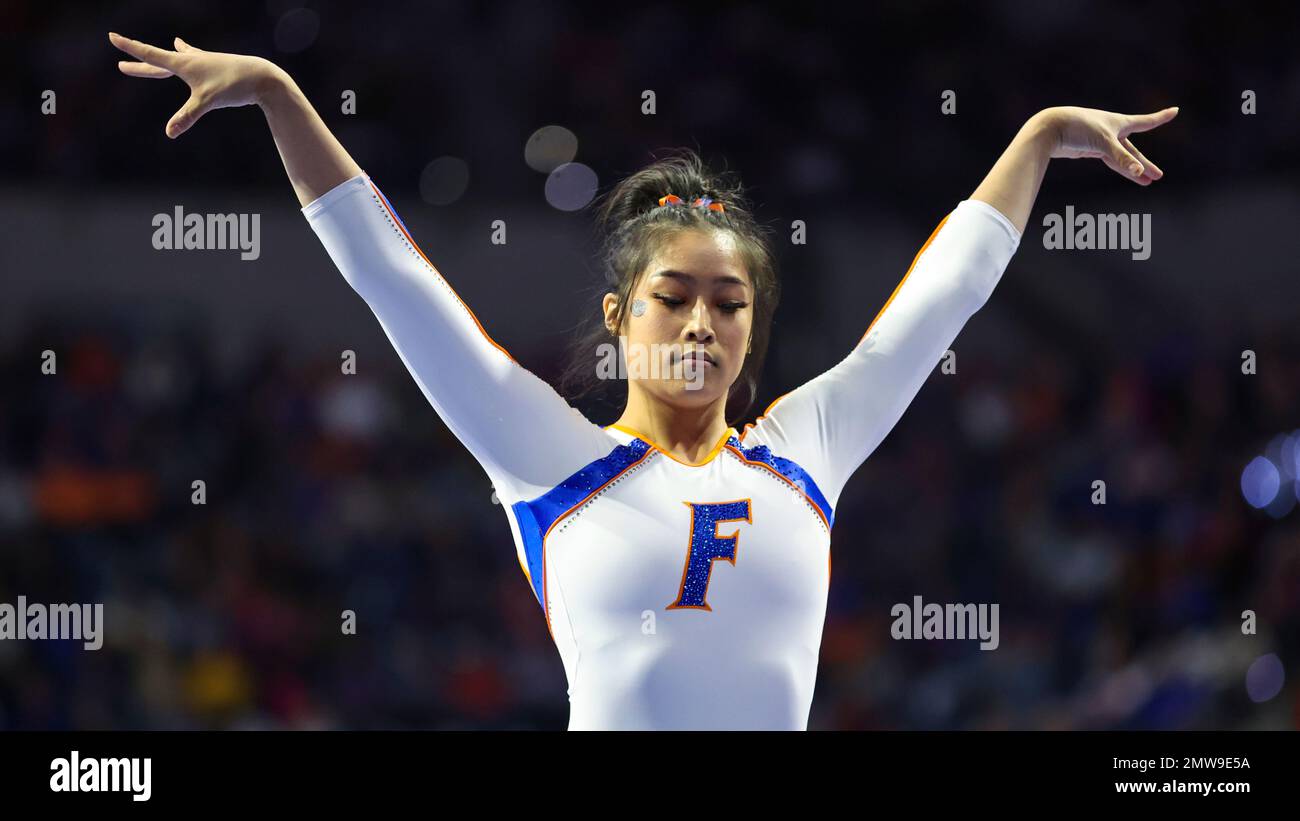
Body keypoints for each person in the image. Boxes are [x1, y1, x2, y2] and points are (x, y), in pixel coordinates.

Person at [110, 31, 1177, 729]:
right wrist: (279, 93)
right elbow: (395, 283)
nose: (702, 322)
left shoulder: (806, 451)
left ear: (754, 330)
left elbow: (945, 294)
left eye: (729, 301)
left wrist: (1038, 139)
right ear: (620, 318)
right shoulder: (549, 457)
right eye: (673, 296)